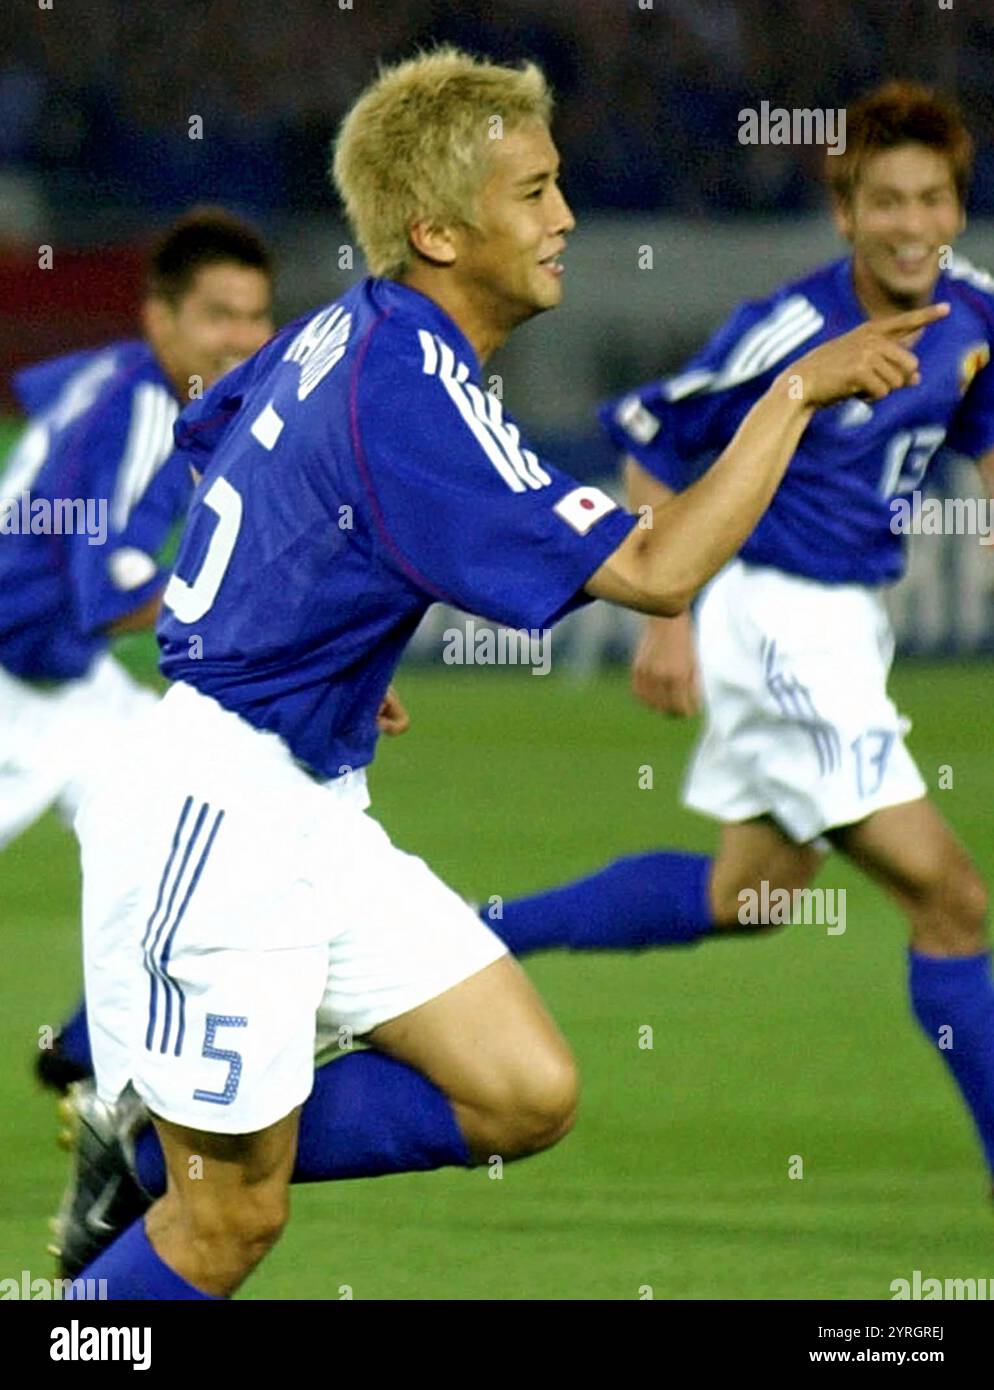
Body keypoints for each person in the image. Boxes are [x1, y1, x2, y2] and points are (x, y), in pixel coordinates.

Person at [58, 49, 942, 1299]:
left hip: (309, 793)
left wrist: (327, 636)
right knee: (228, 1229)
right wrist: (795, 390)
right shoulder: (408, 383)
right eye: (532, 192)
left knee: (522, 1089)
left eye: (558, 184)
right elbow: (658, 568)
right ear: (435, 230)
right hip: (219, 813)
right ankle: (158, 1192)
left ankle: (162, 1145)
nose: (565, 217)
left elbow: (222, 439)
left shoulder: (352, 328)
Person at [494, 82, 994, 1188]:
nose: (910, 224)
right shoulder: (792, 327)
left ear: (957, 210)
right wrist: (659, 618)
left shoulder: (973, 313)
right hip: (771, 618)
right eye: (885, 202)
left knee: (751, 896)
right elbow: (655, 432)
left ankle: (485, 930)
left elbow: (981, 433)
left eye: (931, 200)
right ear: (844, 214)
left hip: (848, 627)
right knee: (951, 900)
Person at [0, 206, 275, 1090]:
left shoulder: (129, 382)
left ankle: (86, 1059)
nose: (243, 336)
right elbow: (111, 592)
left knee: (206, 822)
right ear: (161, 319)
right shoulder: (145, 409)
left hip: (61, 679)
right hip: (15, 686)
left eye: (255, 315)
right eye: (218, 315)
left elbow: (45, 394)